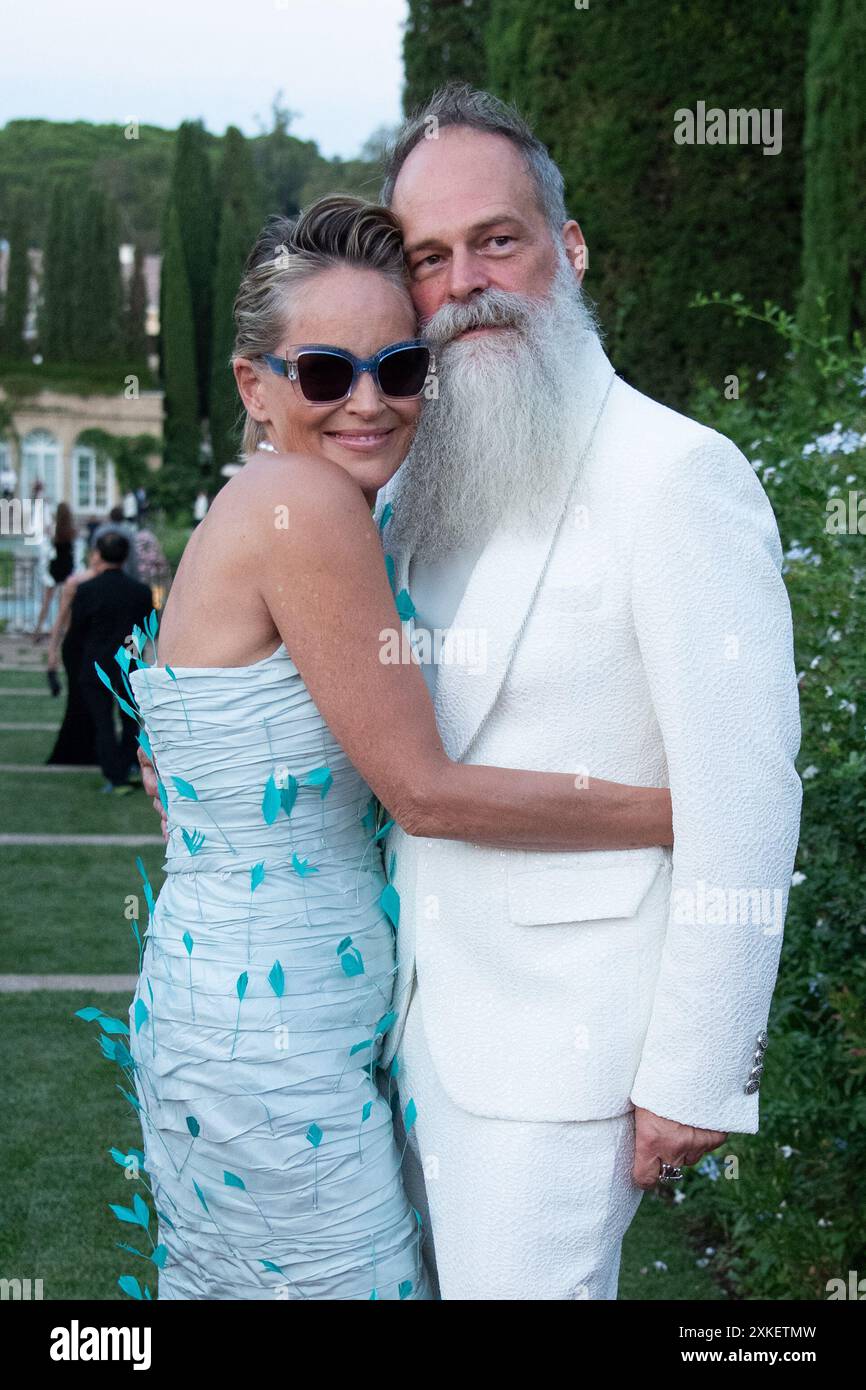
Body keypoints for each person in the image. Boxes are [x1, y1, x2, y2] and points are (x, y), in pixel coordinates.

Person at [125, 194, 673, 1302]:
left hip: (257, 1008)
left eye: (401, 365)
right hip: (266, 1036)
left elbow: (188, 769)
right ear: (255, 385)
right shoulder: (301, 507)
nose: (368, 401)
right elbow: (422, 789)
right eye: (324, 372)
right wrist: (682, 808)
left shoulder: (276, 502)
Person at [69, 530, 152, 793]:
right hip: (129, 661)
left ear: (98, 554)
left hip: (96, 663)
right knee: (130, 719)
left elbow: (77, 630)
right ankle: (129, 764)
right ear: (125, 556)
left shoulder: (87, 590)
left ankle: (116, 777)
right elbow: (147, 628)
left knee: (103, 722)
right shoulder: (140, 591)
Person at [45, 548, 100, 766]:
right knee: (77, 697)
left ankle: (89, 748)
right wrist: (52, 651)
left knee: (93, 699)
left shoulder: (106, 581)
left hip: (93, 646)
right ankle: (73, 750)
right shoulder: (75, 582)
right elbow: (60, 618)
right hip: (76, 647)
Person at [33, 500, 76, 639]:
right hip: (67, 568)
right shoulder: (71, 531)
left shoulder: (54, 529)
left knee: (47, 601)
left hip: (54, 567)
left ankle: (38, 630)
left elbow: (47, 544)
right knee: (65, 603)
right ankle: (68, 632)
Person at [91, 505, 140, 580]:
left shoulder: (100, 532)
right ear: (122, 517)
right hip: (124, 574)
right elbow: (132, 557)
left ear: (110, 516)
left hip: (101, 574)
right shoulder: (128, 533)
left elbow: (94, 553)